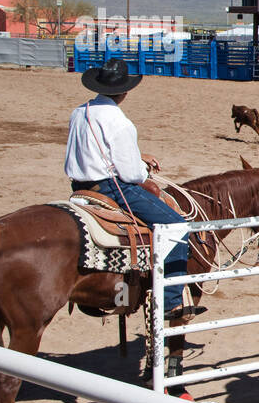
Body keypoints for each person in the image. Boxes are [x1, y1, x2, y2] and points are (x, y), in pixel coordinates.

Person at [63, 57, 189, 321]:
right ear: (125, 91)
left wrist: (137, 155)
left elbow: (93, 150)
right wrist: (143, 171)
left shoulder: (79, 112)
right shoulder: (121, 123)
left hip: (79, 187)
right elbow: (131, 175)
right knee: (177, 227)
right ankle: (171, 301)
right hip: (111, 188)